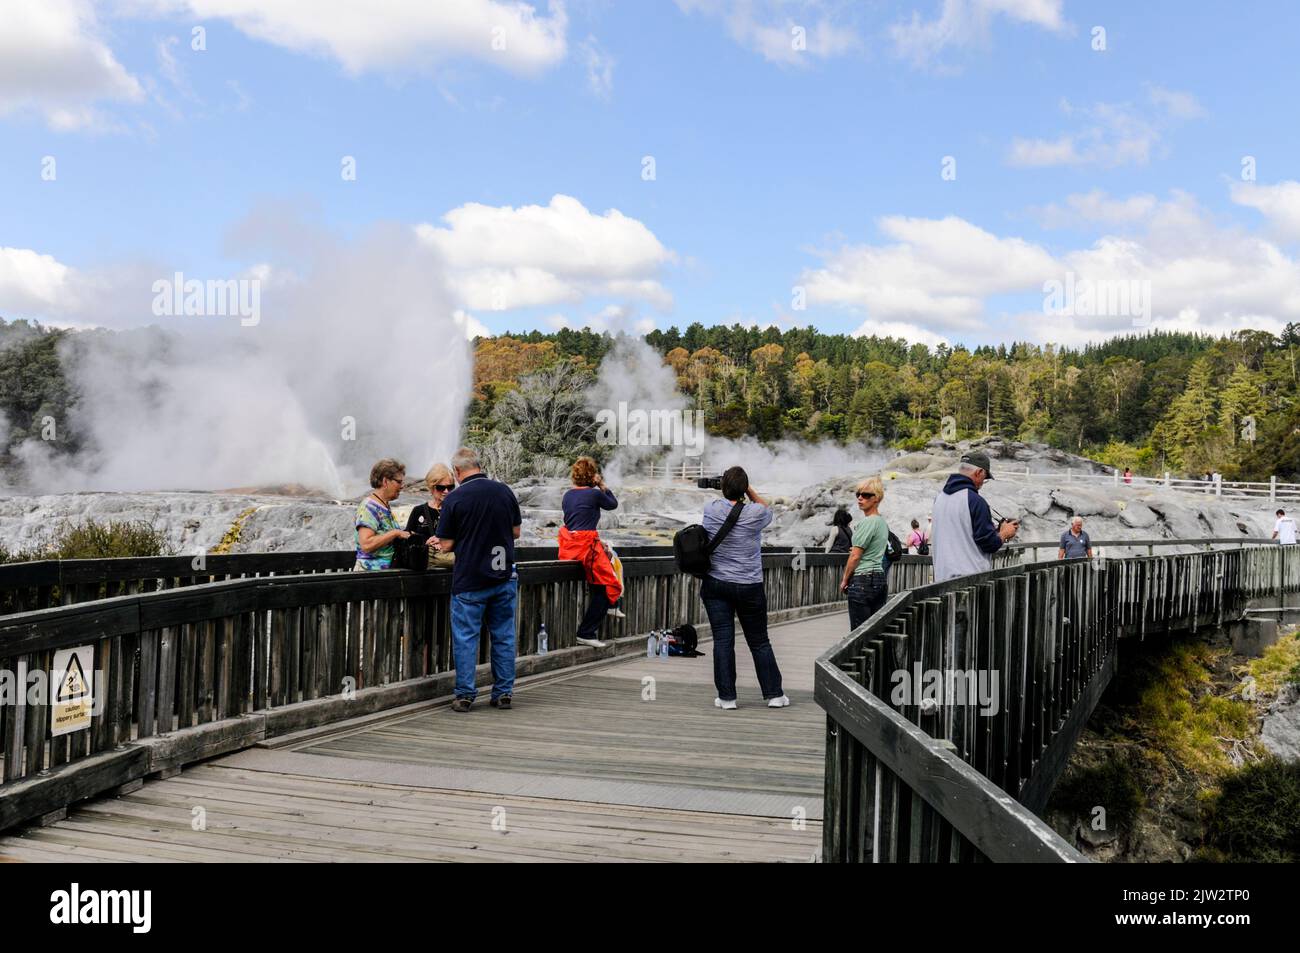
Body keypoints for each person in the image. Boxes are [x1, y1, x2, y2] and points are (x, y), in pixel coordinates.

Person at [435, 447, 523, 713]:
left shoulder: (455, 499)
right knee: (504, 636)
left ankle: (465, 695)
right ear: (478, 466)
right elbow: (516, 532)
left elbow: (447, 544)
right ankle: (504, 692)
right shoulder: (504, 492)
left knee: (465, 638)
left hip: (470, 580)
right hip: (503, 577)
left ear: (458, 472)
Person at [699, 466, 789, 711]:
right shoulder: (756, 513)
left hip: (716, 583)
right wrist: (748, 488)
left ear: (722, 487)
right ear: (744, 489)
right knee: (759, 641)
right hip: (749, 585)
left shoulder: (711, 508)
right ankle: (774, 695)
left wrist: (732, 487)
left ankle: (727, 698)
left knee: (723, 640)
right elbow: (766, 506)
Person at [558, 456, 621, 649]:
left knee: (599, 582)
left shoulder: (567, 495)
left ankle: (612, 606)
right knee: (609, 584)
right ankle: (586, 632)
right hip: (586, 547)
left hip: (569, 546)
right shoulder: (594, 494)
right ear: (592, 476)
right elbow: (612, 504)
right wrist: (602, 484)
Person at [931, 450, 1018, 583]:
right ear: (979, 472)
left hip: (941, 579)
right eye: (985, 477)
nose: (983, 482)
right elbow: (989, 544)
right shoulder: (975, 501)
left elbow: (962, 535)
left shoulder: (939, 498)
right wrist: (1004, 534)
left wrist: (996, 531)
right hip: (970, 582)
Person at [839, 476, 889, 632]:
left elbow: (855, 556)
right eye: (858, 494)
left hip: (862, 580)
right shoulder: (881, 522)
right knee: (874, 632)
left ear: (877, 498)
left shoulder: (867, 522)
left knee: (858, 633)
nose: (861, 498)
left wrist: (845, 579)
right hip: (879, 579)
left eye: (866, 495)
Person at [354, 458, 412, 571]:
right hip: (369, 577)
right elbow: (366, 545)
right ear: (385, 481)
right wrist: (395, 533)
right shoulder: (369, 507)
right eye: (399, 482)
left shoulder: (384, 506)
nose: (402, 486)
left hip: (384, 575)